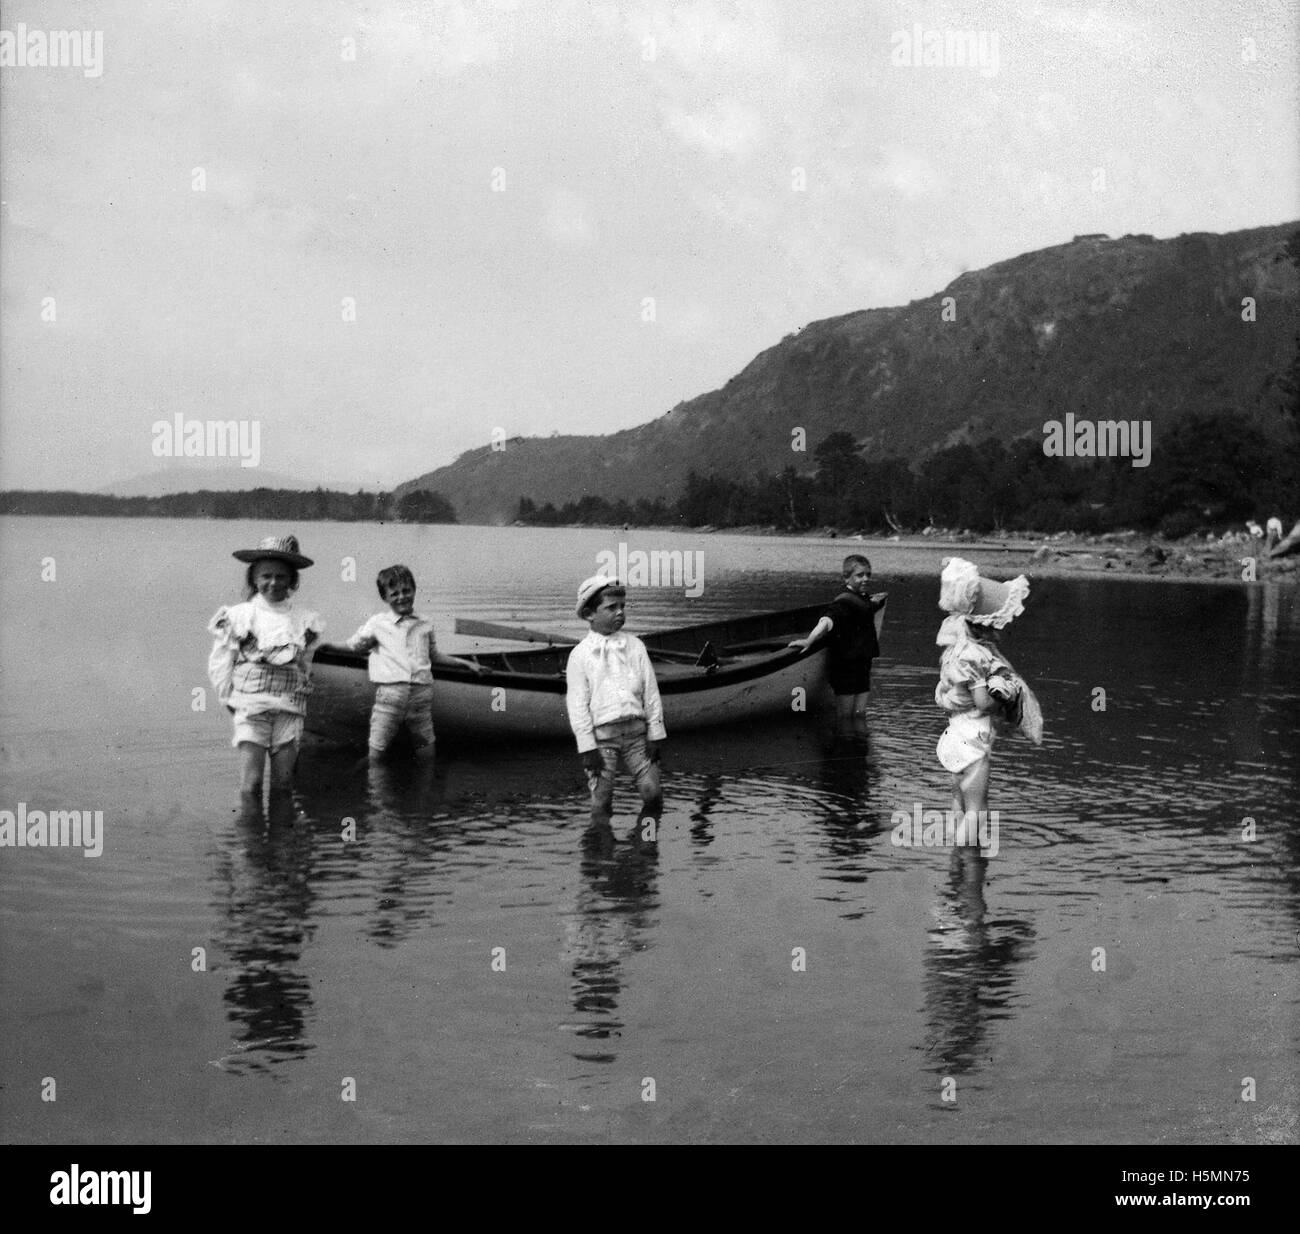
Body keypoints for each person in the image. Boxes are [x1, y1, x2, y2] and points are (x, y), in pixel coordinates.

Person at [208, 534, 323, 822]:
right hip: (251, 705)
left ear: (292, 581)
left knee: (283, 786)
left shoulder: (305, 619)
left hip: (289, 707)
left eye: (281, 577)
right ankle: (251, 853)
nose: (274, 583)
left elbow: (304, 664)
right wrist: (228, 699)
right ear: (254, 578)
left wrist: (303, 693)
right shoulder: (239, 615)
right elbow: (221, 662)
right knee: (252, 785)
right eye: (266, 576)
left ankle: (282, 850)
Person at [934, 557, 1038, 849]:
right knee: (978, 806)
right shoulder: (977, 656)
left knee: (960, 797)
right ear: (986, 624)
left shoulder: (955, 648)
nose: (1000, 627)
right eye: (997, 622)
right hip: (973, 734)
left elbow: (953, 692)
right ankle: (969, 867)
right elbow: (982, 701)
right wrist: (1002, 692)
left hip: (955, 731)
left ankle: (957, 864)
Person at [344, 564, 484, 762]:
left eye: (406, 590)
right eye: (394, 593)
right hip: (390, 697)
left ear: (414, 591)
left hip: (420, 697)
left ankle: (425, 785)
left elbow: (434, 656)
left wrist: (466, 664)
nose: (402, 596)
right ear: (385, 598)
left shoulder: (425, 623)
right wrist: (322, 647)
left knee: (426, 751)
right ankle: (372, 784)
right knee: (377, 751)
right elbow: (353, 646)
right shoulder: (377, 624)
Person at [565, 575, 665, 829]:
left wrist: (655, 734)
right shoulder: (580, 655)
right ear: (589, 614)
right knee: (601, 800)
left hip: (636, 736)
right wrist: (587, 748)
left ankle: (645, 852)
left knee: (652, 793)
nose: (620, 612)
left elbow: (650, 693)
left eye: (623, 606)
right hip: (602, 739)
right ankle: (599, 856)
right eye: (611, 608)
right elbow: (577, 706)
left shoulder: (635, 646)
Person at [788, 554, 887, 725]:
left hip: (862, 663)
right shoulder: (842, 603)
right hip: (846, 667)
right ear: (846, 577)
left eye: (868, 575)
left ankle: (856, 743)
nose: (865, 579)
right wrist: (809, 640)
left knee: (859, 714)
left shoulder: (864, 599)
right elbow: (826, 621)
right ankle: (846, 743)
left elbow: (868, 606)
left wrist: (876, 601)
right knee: (845, 716)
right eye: (860, 575)